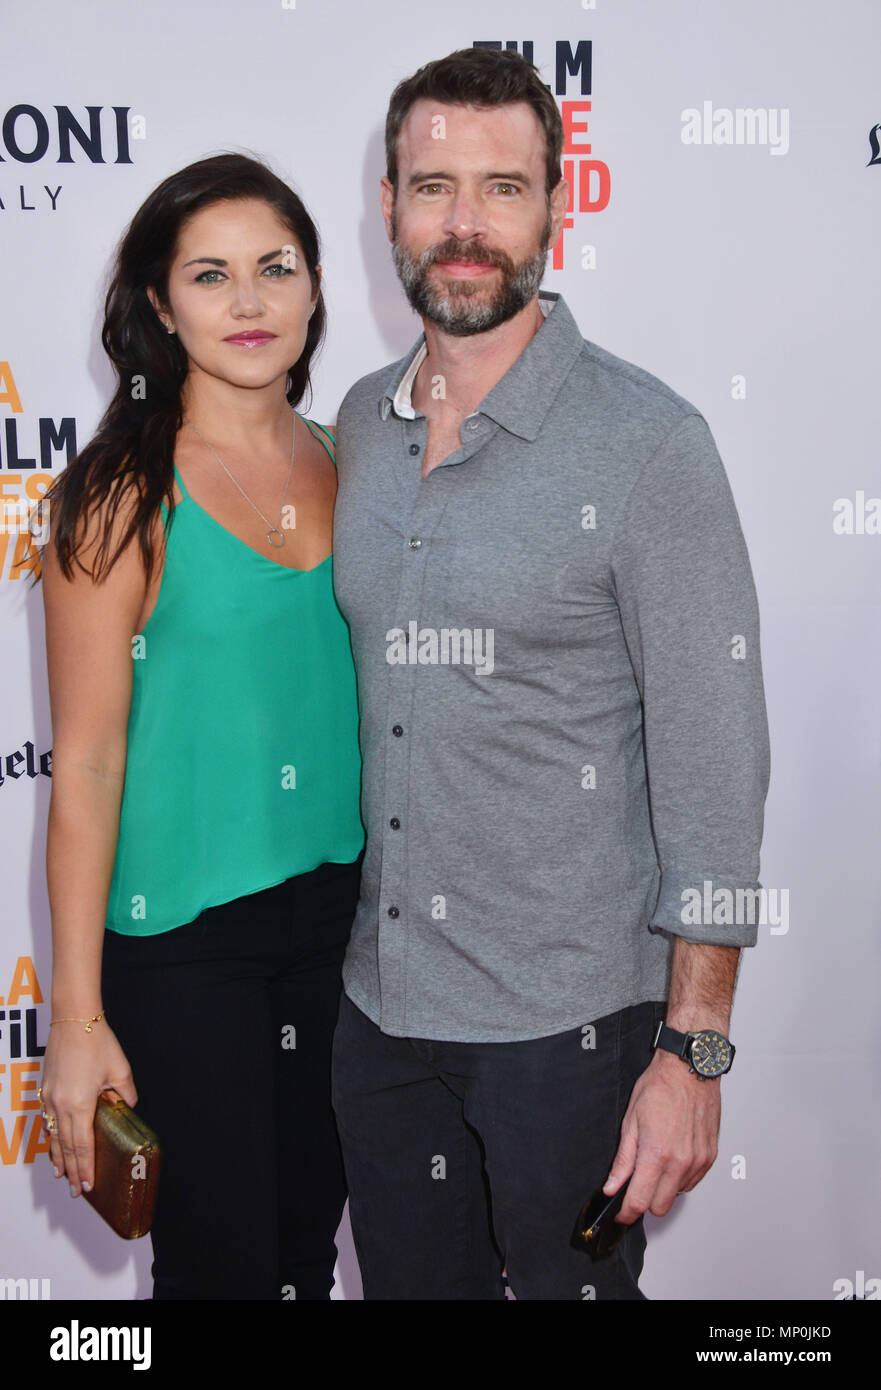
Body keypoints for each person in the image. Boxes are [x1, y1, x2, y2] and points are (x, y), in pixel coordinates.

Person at [330, 48, 770, 1300]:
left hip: (567, 1041)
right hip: (380, 1018)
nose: (463, 226)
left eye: (501, 188)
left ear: (556, 205)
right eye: (432, 188)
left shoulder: (648, 446)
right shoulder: (358, 424)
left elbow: (713, 762)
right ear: (388, 207)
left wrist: (691, 1052)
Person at [33, 153, 365, 1300]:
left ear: (315, 288)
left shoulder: (351, 463)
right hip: (183, 948)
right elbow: (82, 763)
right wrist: (74, 1018)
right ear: (161, 306)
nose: (248, 301)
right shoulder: (120, 494)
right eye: (211, 275)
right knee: (219, 1271)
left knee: (298, 1261)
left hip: (341, 931)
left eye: (275, 268)